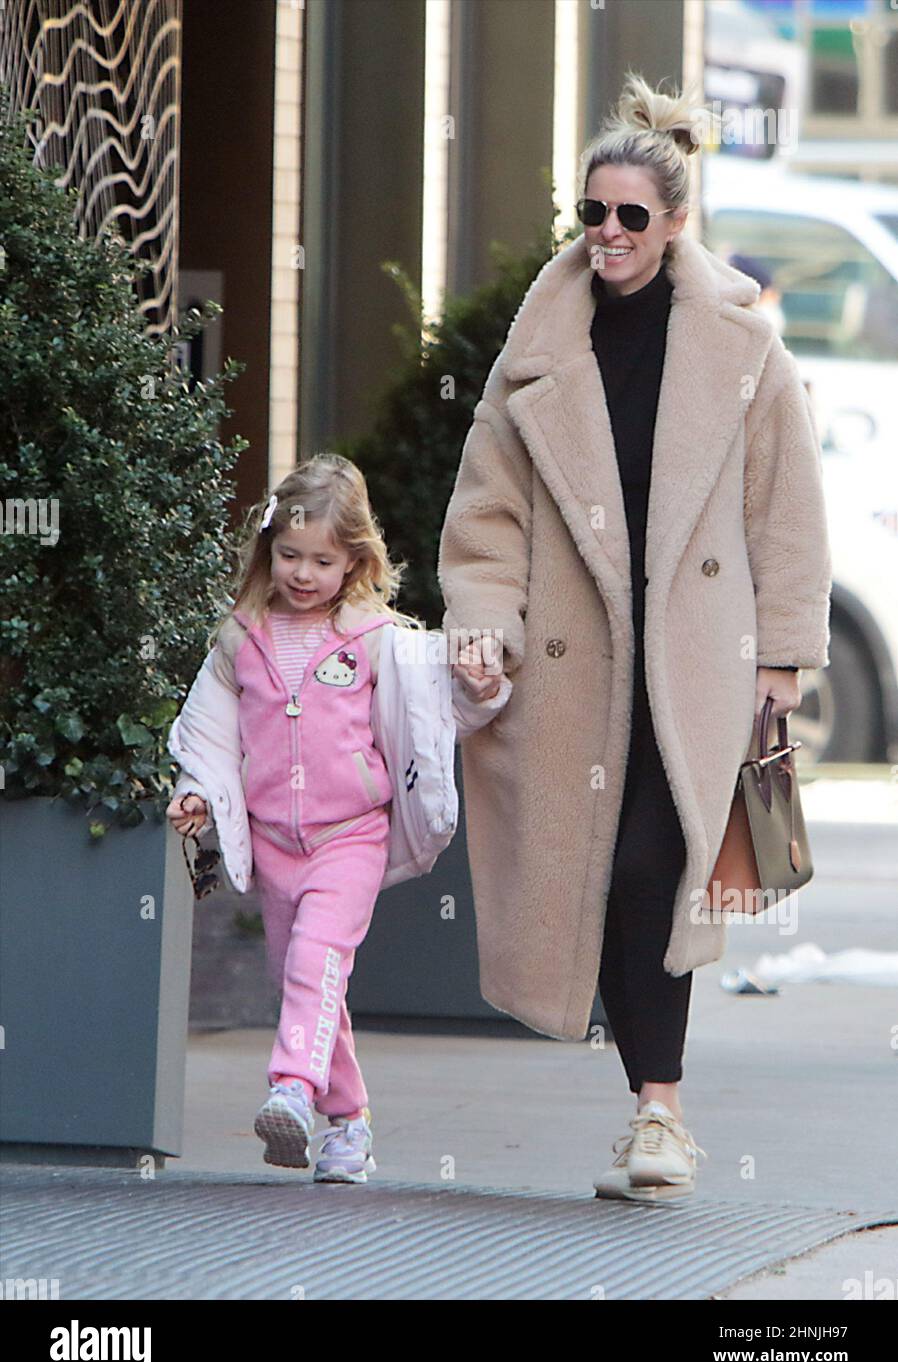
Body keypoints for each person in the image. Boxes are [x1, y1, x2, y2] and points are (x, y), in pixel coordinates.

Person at [438, 74, 831, 1201]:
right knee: (601, 868)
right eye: (590, 216)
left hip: (694, 664)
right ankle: (644, 1102)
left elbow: (785, 510)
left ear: (673, 223)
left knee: (665, 864)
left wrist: (782, 658)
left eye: (629, 218)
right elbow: (485, 515)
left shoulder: (744, 348)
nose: (606, 236)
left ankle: (661, 1115)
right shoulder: (535, 352)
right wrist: (483, 622)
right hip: (572, 660)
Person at [167, 454, 509, 1183]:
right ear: (267, 549)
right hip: (274, 844)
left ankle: (290, 1086)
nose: (302, 572)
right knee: (314, 978)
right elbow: (209, 732)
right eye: (289, 555)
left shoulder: (376, 637)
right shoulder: (241, 639)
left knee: (315, 962)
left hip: (352, 834)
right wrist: (199, 792)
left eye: (322, 559)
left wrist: (481, 686)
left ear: (354, 559)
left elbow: (439, 708)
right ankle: (349, 1126)